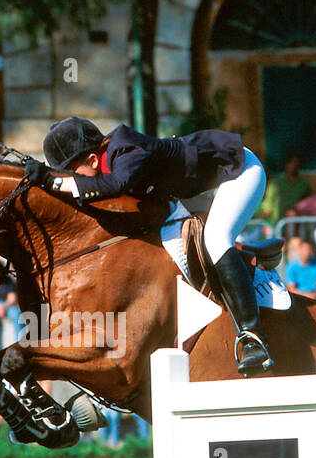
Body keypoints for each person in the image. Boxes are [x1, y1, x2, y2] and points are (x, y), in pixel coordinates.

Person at [26, 116, 271, 375]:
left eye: (72, 173)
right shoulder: (108, 163)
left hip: (237, 171)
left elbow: (113, 185)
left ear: (93, 160)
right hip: (198, 188)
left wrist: (52, 181)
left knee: (216, 239)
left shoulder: (126, 149)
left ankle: (253, 337)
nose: (71, 180)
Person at [256, 152, 312, 223]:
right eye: (291, 163)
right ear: (286, 164)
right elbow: (268, 205)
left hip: (296, 222)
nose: (294, 166)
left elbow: (308, 202)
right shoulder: (276, 183)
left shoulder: (304, 184)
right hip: (277, 223)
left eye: (297, 163)